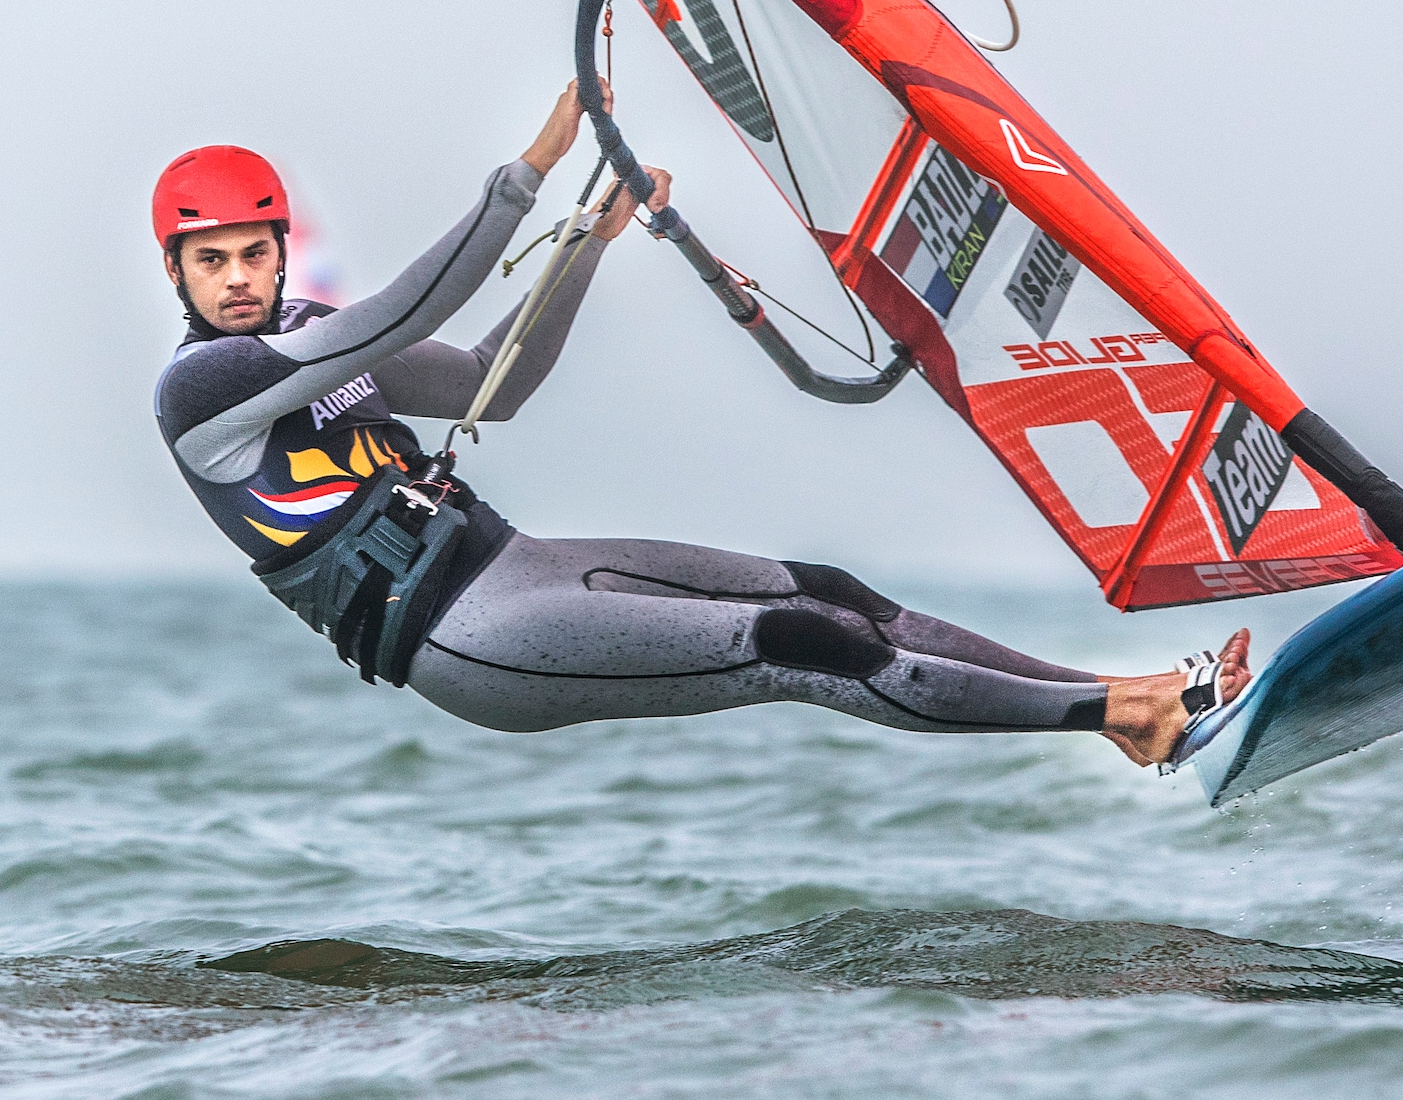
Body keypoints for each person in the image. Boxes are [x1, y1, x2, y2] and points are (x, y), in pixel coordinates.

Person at [151, 82, 1251, 767]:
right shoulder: (202, 391)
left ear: (279, 251)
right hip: (466, 638)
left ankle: (1128, 701)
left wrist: (585, 241)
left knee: (826, 591)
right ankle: (1124, 710)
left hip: (516, 563)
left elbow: (494, 379)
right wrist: (528, 171)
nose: (239, 278)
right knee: (800, 647)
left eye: (255, 252)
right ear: (178, 274)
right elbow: (413, 307)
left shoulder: (304, 336)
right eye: (213, 261)